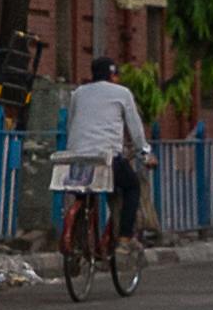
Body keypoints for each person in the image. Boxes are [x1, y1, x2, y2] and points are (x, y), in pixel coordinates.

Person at [54, 55, 150, 270]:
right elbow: (135, 128)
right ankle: (125, 238)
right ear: (112, 75)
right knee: (131, 186)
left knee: (84, 193)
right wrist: (144, 151)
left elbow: (71, 125)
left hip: (77, 157)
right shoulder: (122, 93)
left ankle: (77, 243)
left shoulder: (78, 93)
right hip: (106, 158)